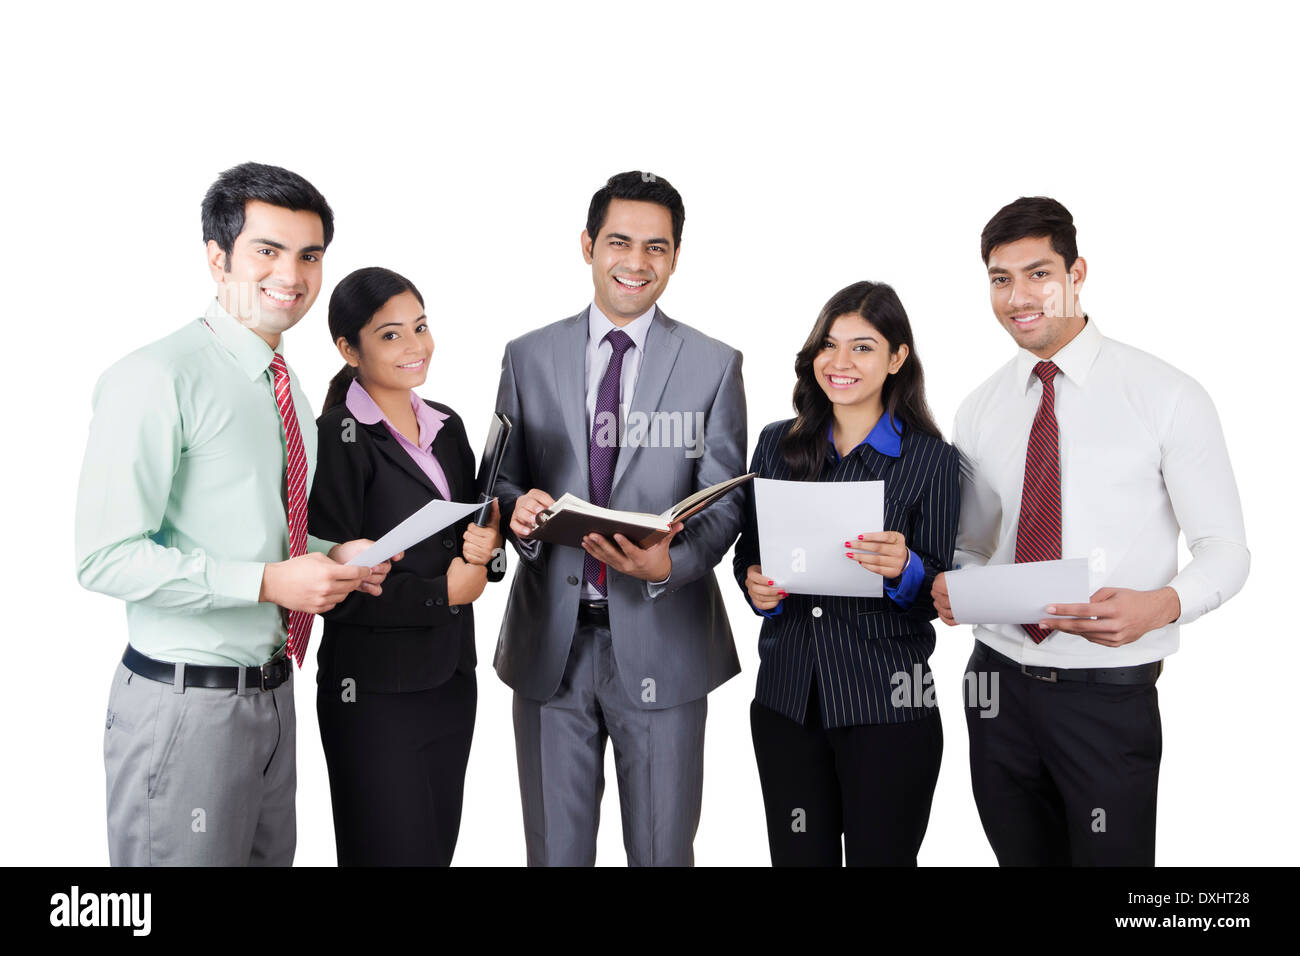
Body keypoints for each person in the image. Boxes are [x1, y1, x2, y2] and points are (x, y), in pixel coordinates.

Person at [75, 162, 393, 866]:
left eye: (310, 255)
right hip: (184, 711)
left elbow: (265, 528)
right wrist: (268, 585)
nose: (294, 274)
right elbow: (105, 557)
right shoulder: (156, 378)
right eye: (268, 251)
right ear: (217, 259)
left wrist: (333, 554)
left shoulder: (280, 380)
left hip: (273, 700)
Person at [932, 196, 1250, 866]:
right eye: (999, 278)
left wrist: (1161, 605)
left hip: (1107, 695)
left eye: (1038, 273)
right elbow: (975, 544)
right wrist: (953, 585)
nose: (1019, 296)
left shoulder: (1166, 394)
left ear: (1077, 273)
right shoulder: (979, 408)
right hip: (995, 687)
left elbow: (1225, 550)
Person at [491, 171, 747, 866]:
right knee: (555, 853)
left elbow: (724, 502)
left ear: (676, 255)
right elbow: (502, 477)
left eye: (656, 247)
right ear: (587, 245)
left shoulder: (715, 365)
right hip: (552, 644)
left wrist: (674, 562)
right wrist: (518, 509)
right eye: (620, 242)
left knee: (662, 853)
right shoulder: (527, 355)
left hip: (666, 638)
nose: (637, 263)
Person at [733, 281, 959, 866]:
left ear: (897, 358)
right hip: (787, 703)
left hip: (889, 708)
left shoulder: (932, 459)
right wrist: (759, 587)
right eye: (829, 346)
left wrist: (906, 569)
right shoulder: (776, 445)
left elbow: (940, 590)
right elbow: (748, 555)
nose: (840, 363)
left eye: (863, 347)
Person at [307, 266, 505, 866]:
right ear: (349, 349)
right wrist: (442, 591)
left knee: (433, 849)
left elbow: (475, 533)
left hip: (449, 679)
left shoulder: (447, 425)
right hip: (372, 691)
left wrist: (487, 553)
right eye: (391, 335)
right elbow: (331, 585)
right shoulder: (338, 436)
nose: (416, 346)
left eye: (420, 327)